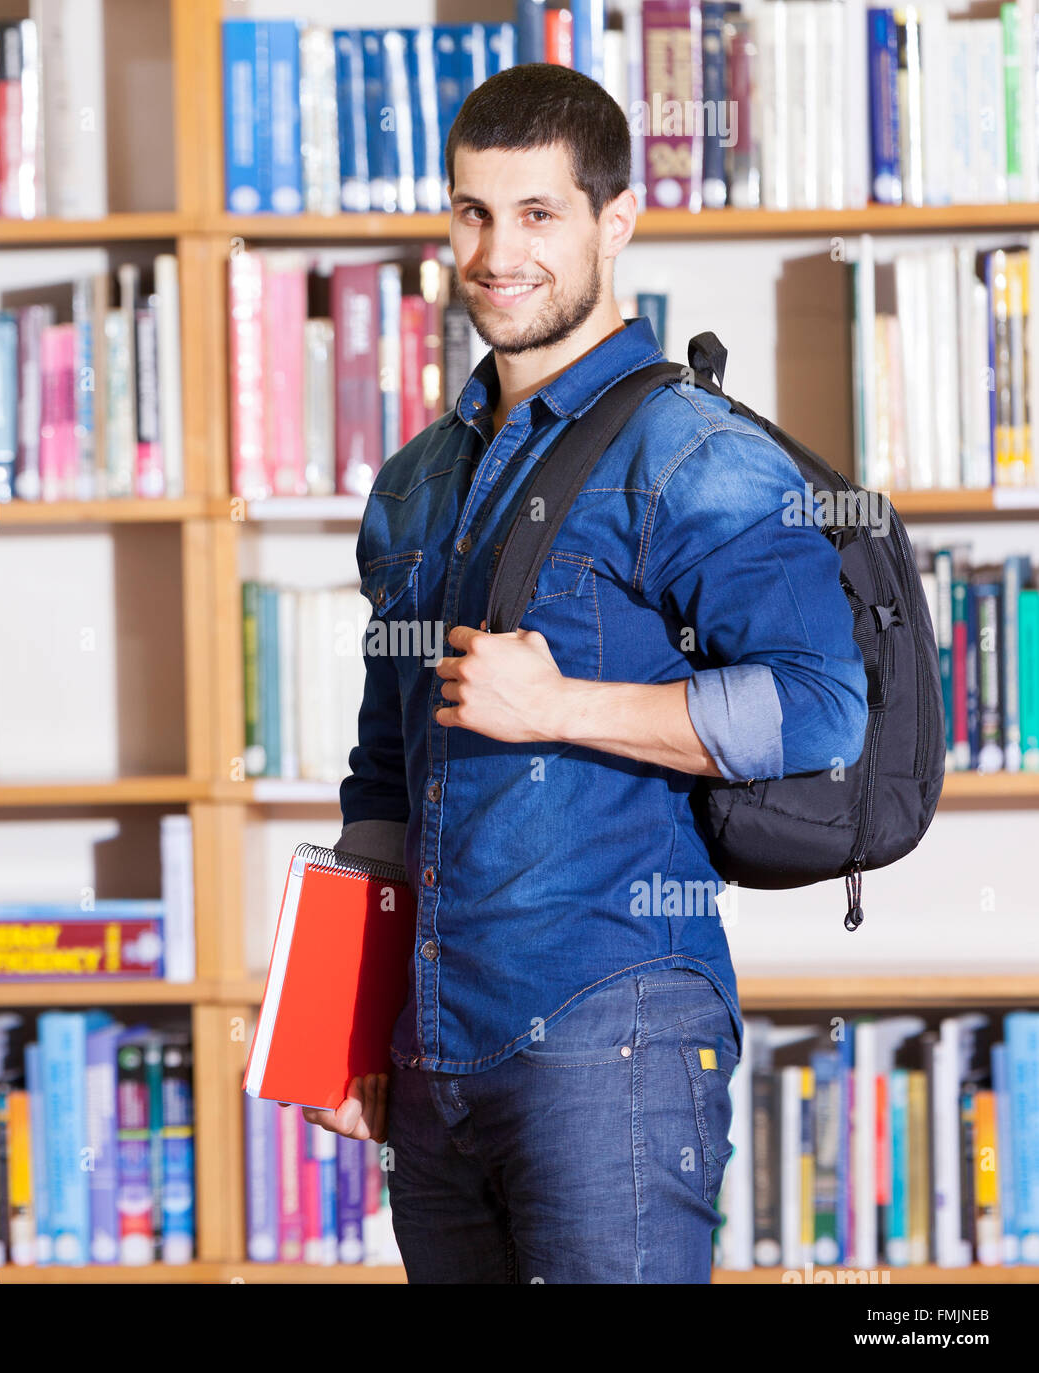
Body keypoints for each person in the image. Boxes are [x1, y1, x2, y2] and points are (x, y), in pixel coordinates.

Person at [298, 63, 868, 1283]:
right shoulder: (411, 483)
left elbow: (822, 703)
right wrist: (351, 1021)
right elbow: (386, 776)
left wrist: (555, 706)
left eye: (538, 214)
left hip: (614, 1041)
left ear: (614, 223)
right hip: (433, 1048)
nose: (498, 252)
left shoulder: (695, 453)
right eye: (472, 212)